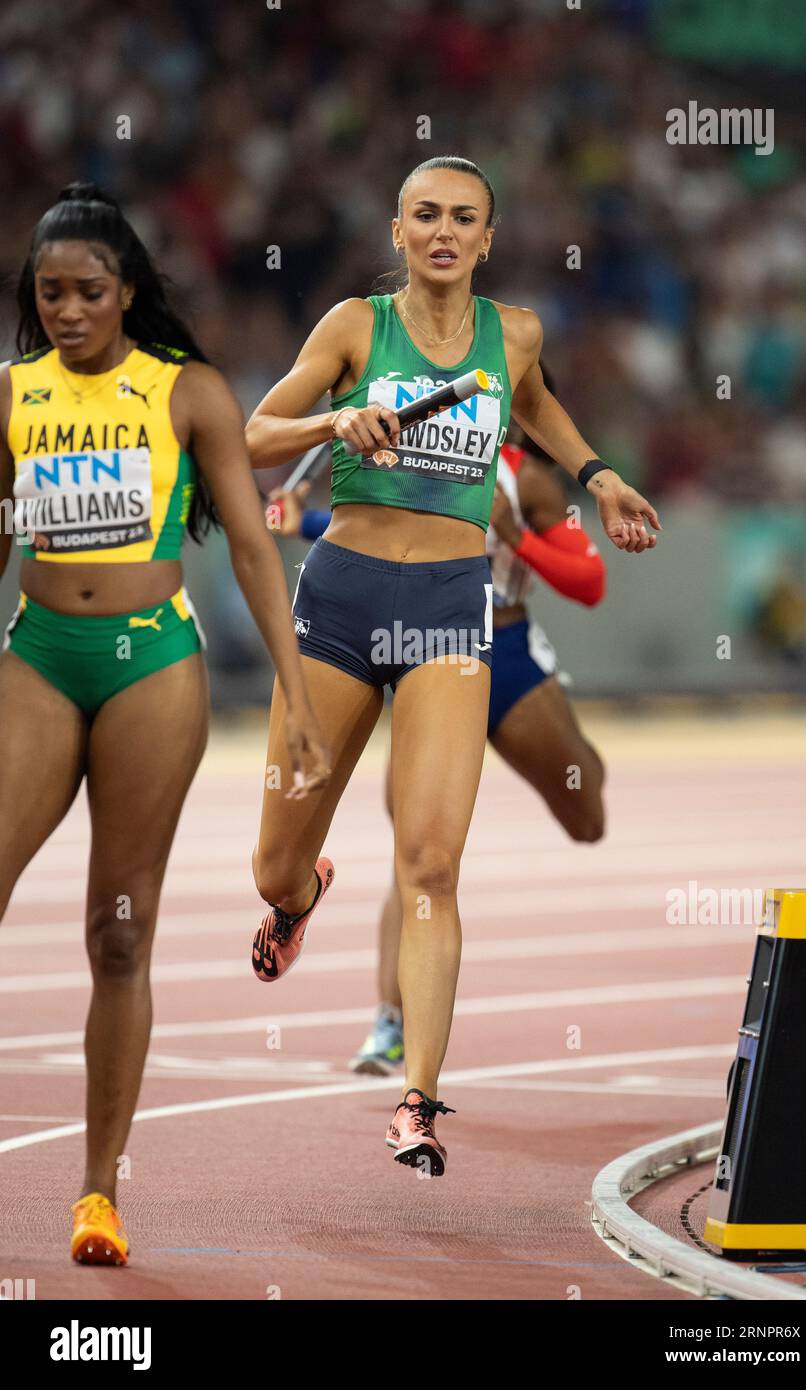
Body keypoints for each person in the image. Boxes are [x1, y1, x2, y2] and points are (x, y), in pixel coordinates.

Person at [246, 155, 659, 1177]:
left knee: (431, 863)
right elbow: (254, 435)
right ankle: (298, 901)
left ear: (487, 235)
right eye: (423, 215)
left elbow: (538, 409)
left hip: (447, 609)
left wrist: (599, 478)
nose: (441, 230)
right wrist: (333, 419)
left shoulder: (514, 332)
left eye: (460, 218)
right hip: (339, 601)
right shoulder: (352, 326)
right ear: (397, 233)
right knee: (272, 863)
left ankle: (415, 1096)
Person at [0, 183, 330, 1265]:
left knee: (118, 930)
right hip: (39, 656)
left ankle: (98, 1191)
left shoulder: (186, 392)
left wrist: (295, 698)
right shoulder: (14, 391)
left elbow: (247, 546)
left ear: (128, 291)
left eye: (88, 291)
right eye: (49, 293)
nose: (67, 310)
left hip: (151, 664)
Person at [265, 369, 609, 1077]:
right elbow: (358, 530)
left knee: (587, 813)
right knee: (417, 858)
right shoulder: (397, 447)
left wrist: (519, 539)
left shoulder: (528, 482)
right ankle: (390, 1025)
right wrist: (296, 520)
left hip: (504, 651)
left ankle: (585, 766)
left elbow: (591, 583)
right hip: (418, 652)